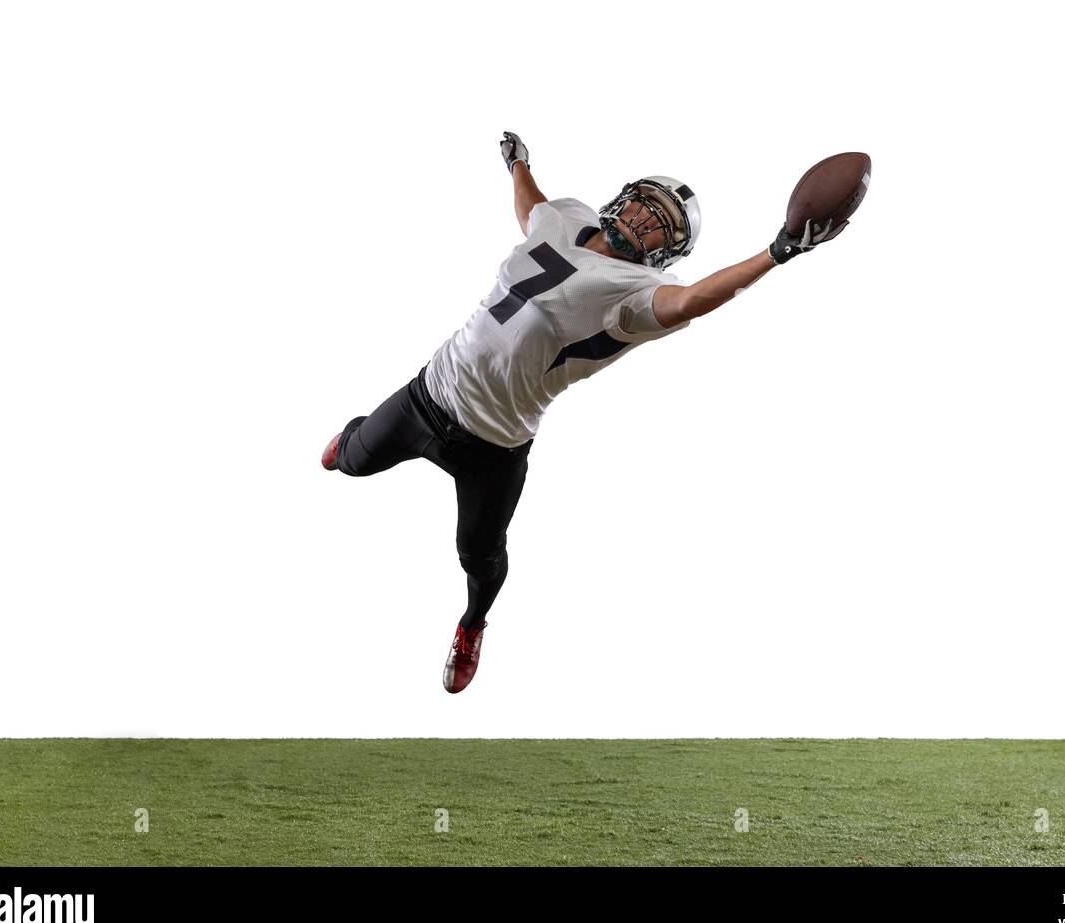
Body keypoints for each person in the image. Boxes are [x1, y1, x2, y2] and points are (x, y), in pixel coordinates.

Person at [322, 131, 849, 693]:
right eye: (646, 207)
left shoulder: (636, 293)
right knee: (348, 461)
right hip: (430, 394)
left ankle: (472, 625)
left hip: (494, 446)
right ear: (626, 196)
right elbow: (533, 212)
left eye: (659, 224)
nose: (644, 222)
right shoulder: (566, 219)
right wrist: (519, 164)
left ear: (664, 249)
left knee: (479, 556)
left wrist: (776, 253)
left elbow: (693, 299)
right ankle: (357, 430)